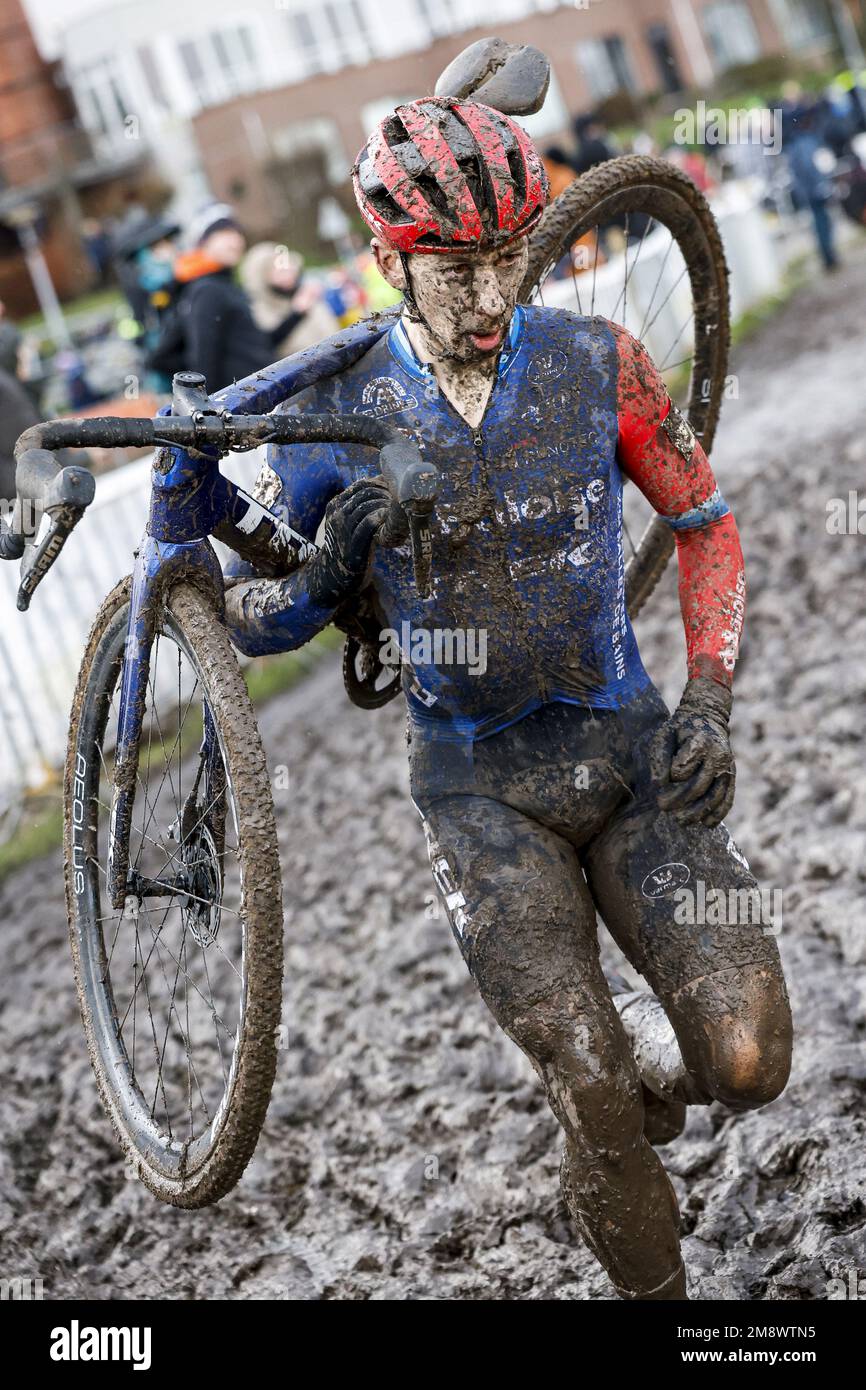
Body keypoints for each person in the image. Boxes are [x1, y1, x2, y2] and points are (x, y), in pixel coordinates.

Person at [222, 97, 792, 1300]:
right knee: (586, 1079)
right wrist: (327, 568)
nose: (487, 301)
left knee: (745, 1064)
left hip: (632, 753)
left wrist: (712, 701)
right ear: (388, 263)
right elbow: (249, 622)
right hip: (481, 795)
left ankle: (651, 1068)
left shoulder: (600, 363)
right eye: (453, 275)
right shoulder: (329, 417)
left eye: (507, 265)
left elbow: (703, 523)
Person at [148, 204, 281, 392]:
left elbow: (255, 345)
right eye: (225, 233)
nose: (236, 241)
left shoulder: (223, 284)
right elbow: (201, 360)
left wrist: (298, 313)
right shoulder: (207, 290)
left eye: (237, 233)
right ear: (203, 242)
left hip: (262, 393)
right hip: (247, 405)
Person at [240, 242, 339, 356]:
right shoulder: (257, 311)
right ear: (261, 276)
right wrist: (296, 314)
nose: (289, 273)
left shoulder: (307, 296)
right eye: (278, 269)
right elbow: (270, 345)